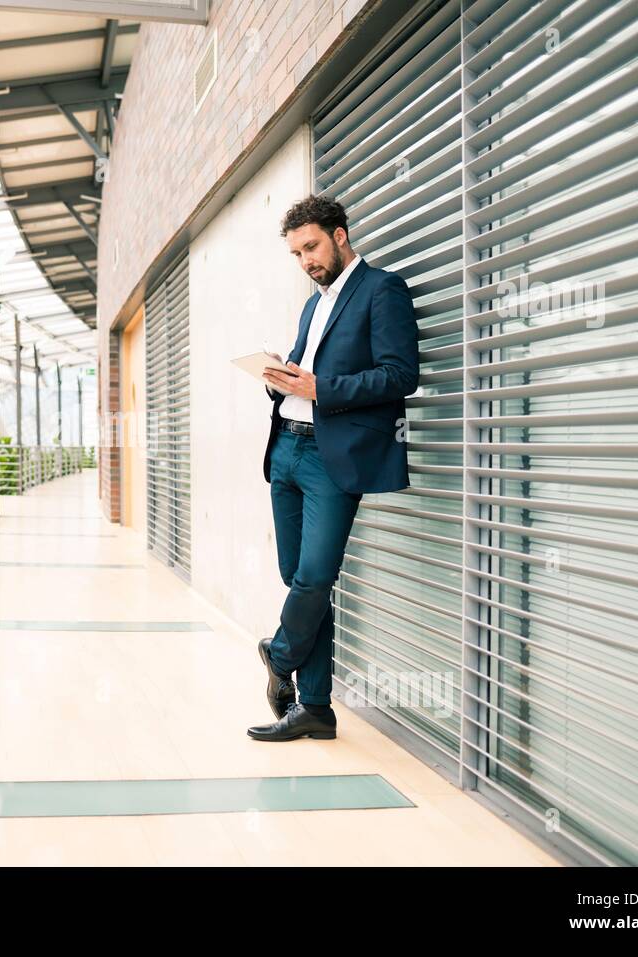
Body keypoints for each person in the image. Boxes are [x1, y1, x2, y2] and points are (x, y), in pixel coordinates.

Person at [249, 194, 419, 741]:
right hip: (286, 450)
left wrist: (321, 388)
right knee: (299, 581)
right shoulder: (313, 304)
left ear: (340, 235)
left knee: (316, 577)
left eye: (312, 247)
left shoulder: (382, 290)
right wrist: (287, 375)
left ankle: (279, 654)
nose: (306, 261)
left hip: (330, 456)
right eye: (297, 253)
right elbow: (310, 373)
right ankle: (315, 709)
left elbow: (400, 375)